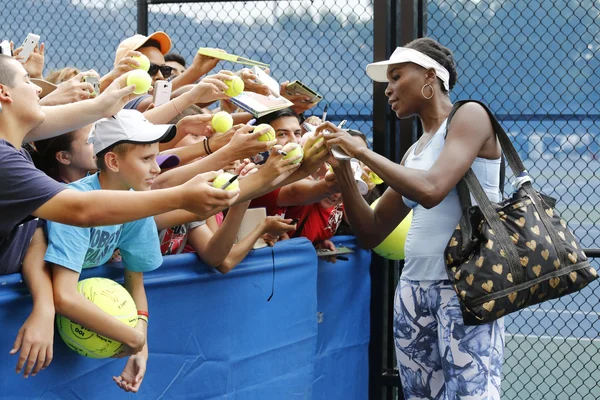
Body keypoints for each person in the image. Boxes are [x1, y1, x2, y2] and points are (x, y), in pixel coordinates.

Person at [0, 54, 238, 376]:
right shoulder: (6, 160)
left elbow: (32, 236)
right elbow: (79, 210)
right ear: (4, 93)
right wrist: (133, 338)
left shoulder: (15, 152)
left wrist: (44, 305)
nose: (40, 92)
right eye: (28, 82)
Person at [319, 38, 504, 399]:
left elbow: (432, 190)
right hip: (413, 289)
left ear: (430, 77)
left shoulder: (470, 116)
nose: (387, 89)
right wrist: (342, 167)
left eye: (396, 76)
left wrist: (364, 153)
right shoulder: (414, 152)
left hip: (464, 287)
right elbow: (372, 231)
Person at [44, 110, 177, 392]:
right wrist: (131, 338)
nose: (157, 169)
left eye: (156, 157)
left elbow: (134, 281)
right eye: (146, 159)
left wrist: (141, 346)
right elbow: (64, 296)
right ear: (113, 161)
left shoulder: (136, 206)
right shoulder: (74, 202)